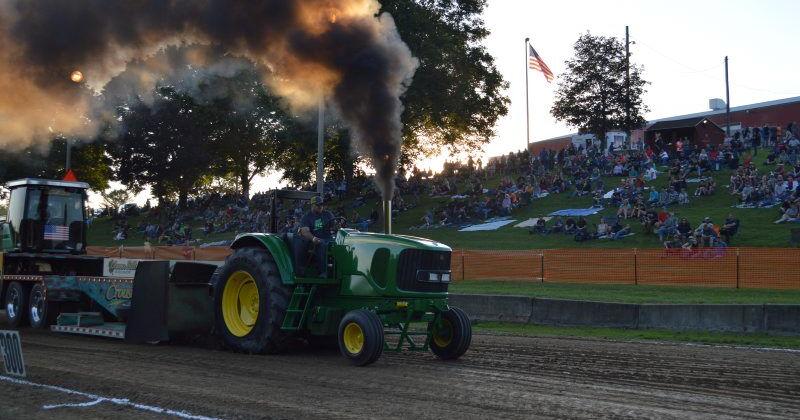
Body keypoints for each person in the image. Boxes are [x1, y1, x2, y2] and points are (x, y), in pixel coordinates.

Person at [299, 196, 335, 277]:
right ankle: (323, 272)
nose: (320, 206)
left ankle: (338, 271)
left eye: (321, 205)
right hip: (315, 240)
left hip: (329, 238)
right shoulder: (307, 217)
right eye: (318, 205)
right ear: (312, 205)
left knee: (341, 244)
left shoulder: (328, 214)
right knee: (321, 244)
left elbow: (334, 225)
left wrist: (338, 225)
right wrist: (313, 238)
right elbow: (304, 231)